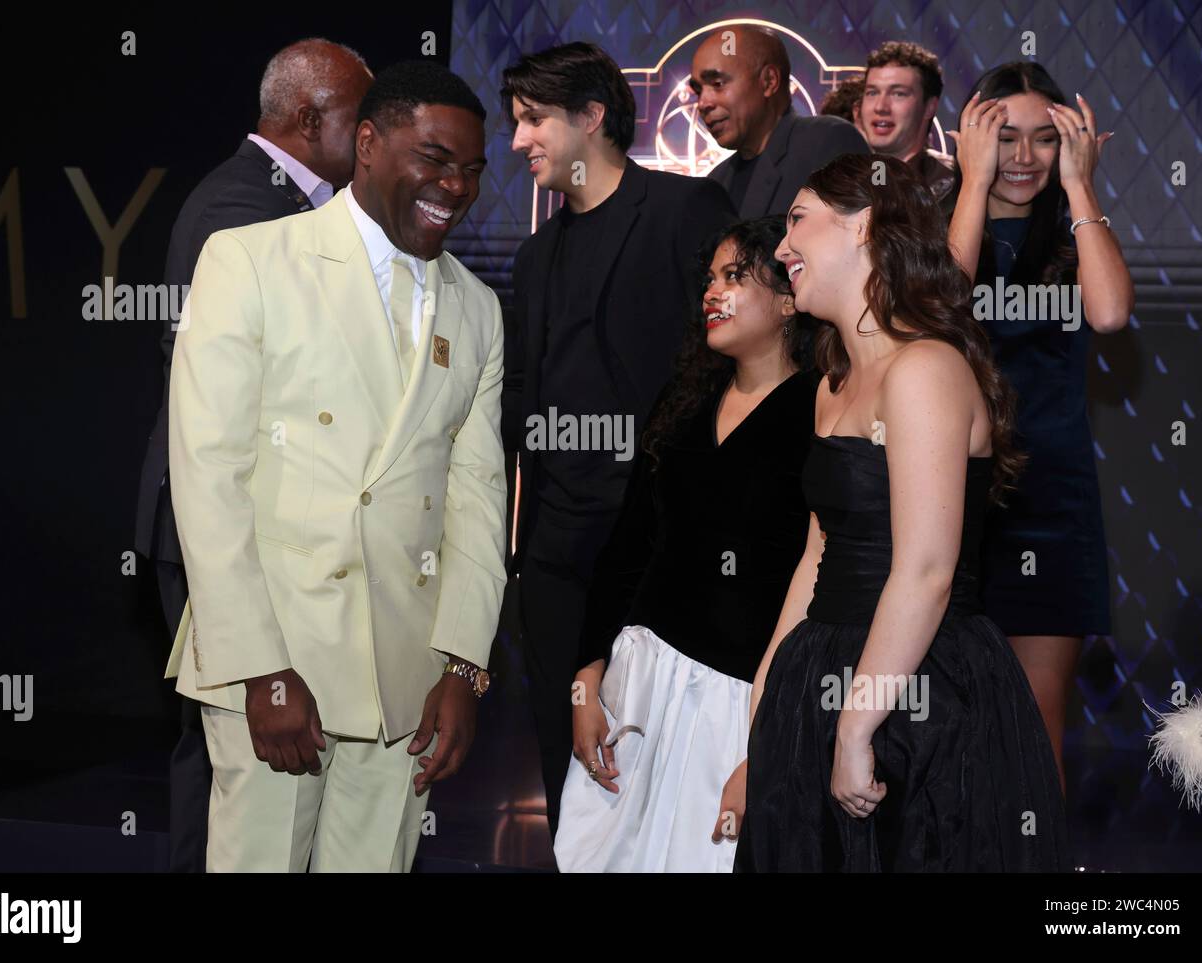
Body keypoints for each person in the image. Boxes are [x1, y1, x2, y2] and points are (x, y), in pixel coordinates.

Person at [164, 60, 507, 872]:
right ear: (367, 143)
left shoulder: (479, 307)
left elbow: (480, 500)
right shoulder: (249, 259)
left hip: (408, 682)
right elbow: (208, 474)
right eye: (433, 158)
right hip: (278, 666)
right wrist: (259, 666)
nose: (454, 186)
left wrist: (464, 667)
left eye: (470, 169)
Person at [736, 154, 1069, 872]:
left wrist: (857, 725)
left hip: (923, 693)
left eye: (799, 220)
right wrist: (765, 700)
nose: (783, 246)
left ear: (863, 225)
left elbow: (926, 570)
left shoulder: (926, 369)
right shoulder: (832, 384)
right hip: (820, 673)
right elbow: (815, 557)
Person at [132, 37, 372, 873]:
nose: (372, 140)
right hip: (215, 525)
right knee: (226, 758)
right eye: (361, 121)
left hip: (246, 522)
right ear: (312, 119)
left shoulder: (278, 200)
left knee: (227, 757)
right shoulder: (242, 209)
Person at [500, 42, 736, 840]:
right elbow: (521, 407)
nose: (518, 141)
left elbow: (734, 364)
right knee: (567, 779)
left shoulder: (685, 214)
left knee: (660, 785)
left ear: (592, 116)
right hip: (556, 563)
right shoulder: (534, 259)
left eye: (533, 120)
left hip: (660, 556)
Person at [555, 217, 820, 872]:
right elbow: (627, 546)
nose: (712, 292)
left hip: (740, 701)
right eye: (709, 279)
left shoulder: (822, 410)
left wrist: (772, 739)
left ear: (790, 299)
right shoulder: (684, 401)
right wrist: (587, 676)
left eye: (734, 276)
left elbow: (823, 581)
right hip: (638, 686)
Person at [946, 61, 1133, 788]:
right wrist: (968, 184)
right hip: (947, 501)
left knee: (1030, 730)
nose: (1023, 158)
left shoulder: (1074, 230)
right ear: (970, 139)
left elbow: (1112, 313)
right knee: (942, 731)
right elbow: (943, 309)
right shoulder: (937, 218)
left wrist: (1082, 187)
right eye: (1005, 137)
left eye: (1044, 140)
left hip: (1050, 504)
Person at [690, 24, 867, 219]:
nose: (703, 103)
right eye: (698, 91)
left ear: (769, 81)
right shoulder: (717, 181)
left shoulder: (828, 143)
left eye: (718, 84)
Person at [857, 41, 956, 213]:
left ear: (929, 107)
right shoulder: (845, 177)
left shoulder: (951, 183)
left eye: (898, 94)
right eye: (872, 92)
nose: (880, 107)